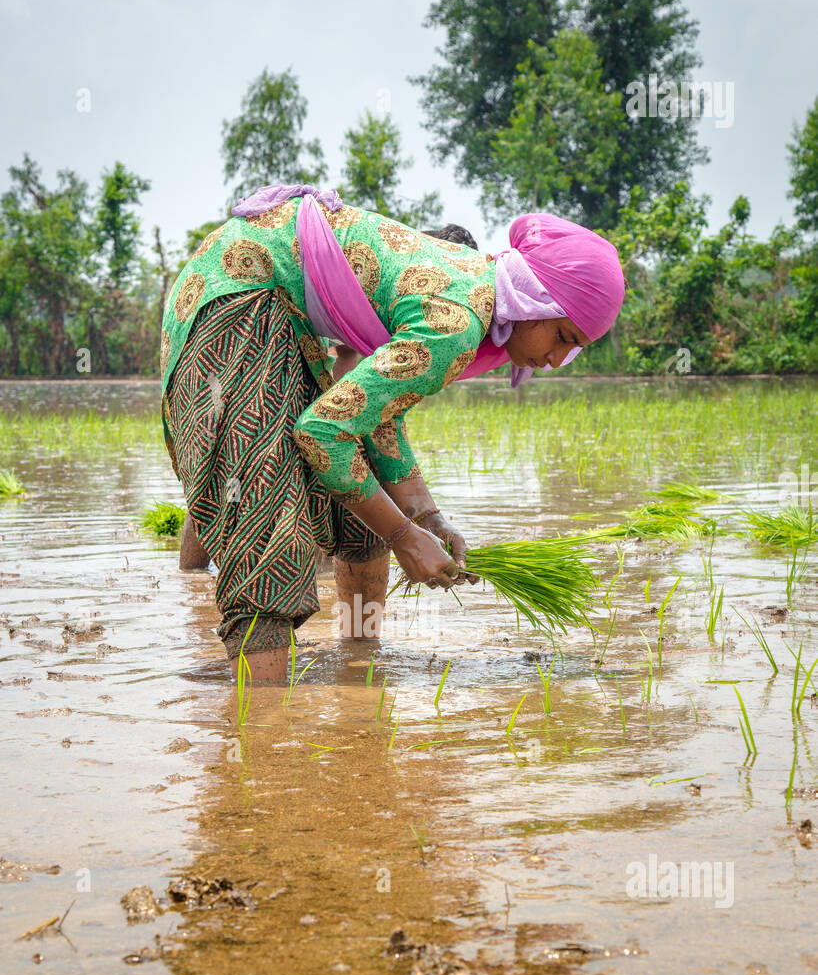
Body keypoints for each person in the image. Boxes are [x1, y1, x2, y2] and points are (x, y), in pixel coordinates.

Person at [160, 186, 625, 685]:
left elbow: (375, 417)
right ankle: (262, 732)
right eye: (563, 337)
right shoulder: (457, 323)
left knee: (362, 507)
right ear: (535, 300)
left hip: (271, 301)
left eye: (574, 351)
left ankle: (359, 666)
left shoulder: (469, 291)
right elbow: (320, 433)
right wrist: (406, 537)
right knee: (267, 518)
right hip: (234, 297)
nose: (557, 360)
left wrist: (428, 519)